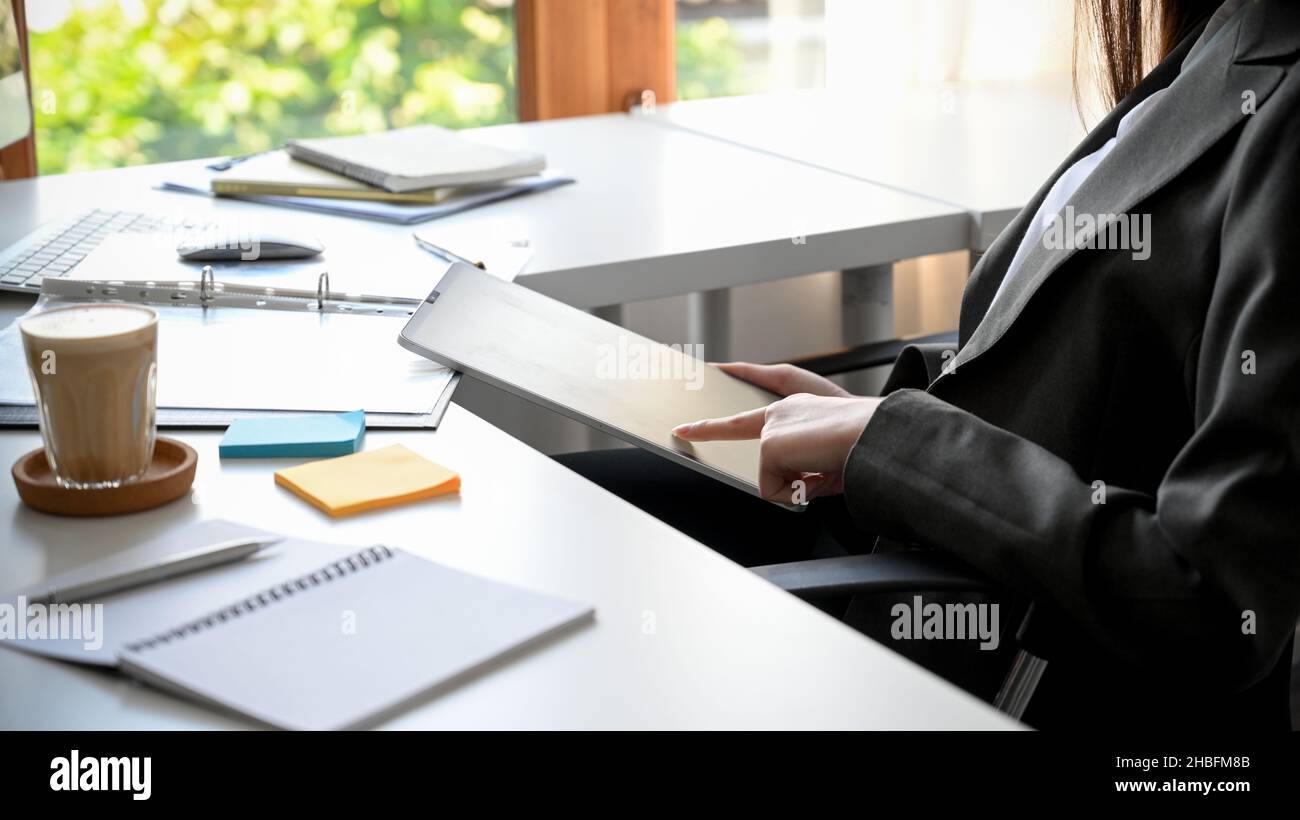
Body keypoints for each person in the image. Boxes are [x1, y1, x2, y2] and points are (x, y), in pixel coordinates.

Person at [557, 0, 1300, 729]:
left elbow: (1217, 606)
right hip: (935, 541)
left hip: (994, 646)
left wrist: (893, 439)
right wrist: (868, 425)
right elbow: (1119, 372)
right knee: (566, 506)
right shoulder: (1225, 36)